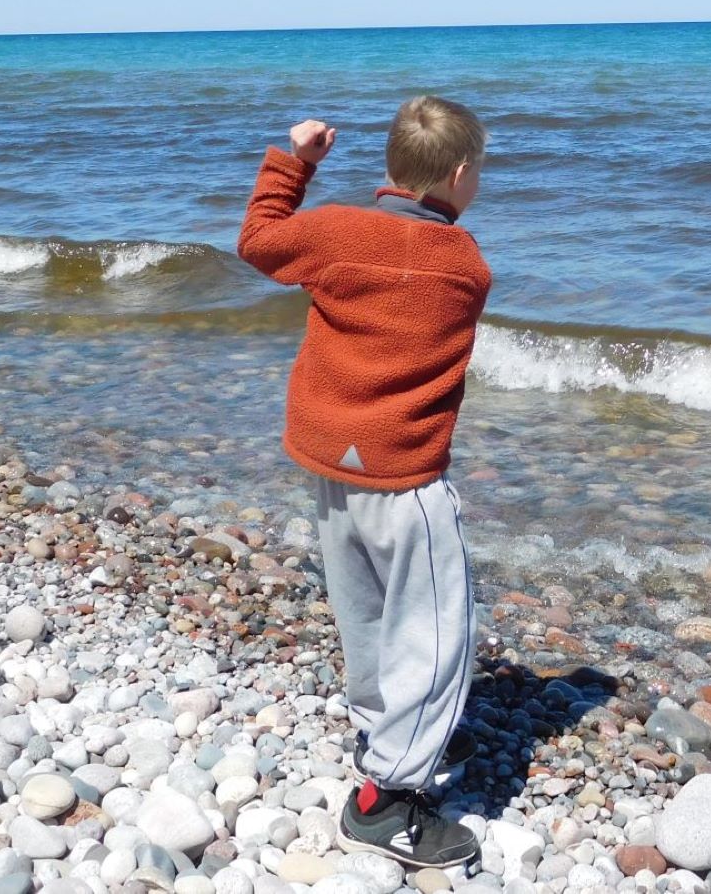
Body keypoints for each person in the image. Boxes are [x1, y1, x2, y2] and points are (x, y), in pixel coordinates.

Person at [237, 96, 491, 867]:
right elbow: (419, 274)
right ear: (458, 174)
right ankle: (387, 799)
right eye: (475, 170)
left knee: (365, 612)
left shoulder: (336, 236)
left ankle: (381, 724)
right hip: (404, 473)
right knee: (441, 630)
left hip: (329, 460)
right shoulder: (466, 265)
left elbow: (258, 239)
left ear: (389, 166)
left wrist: (297, 161)